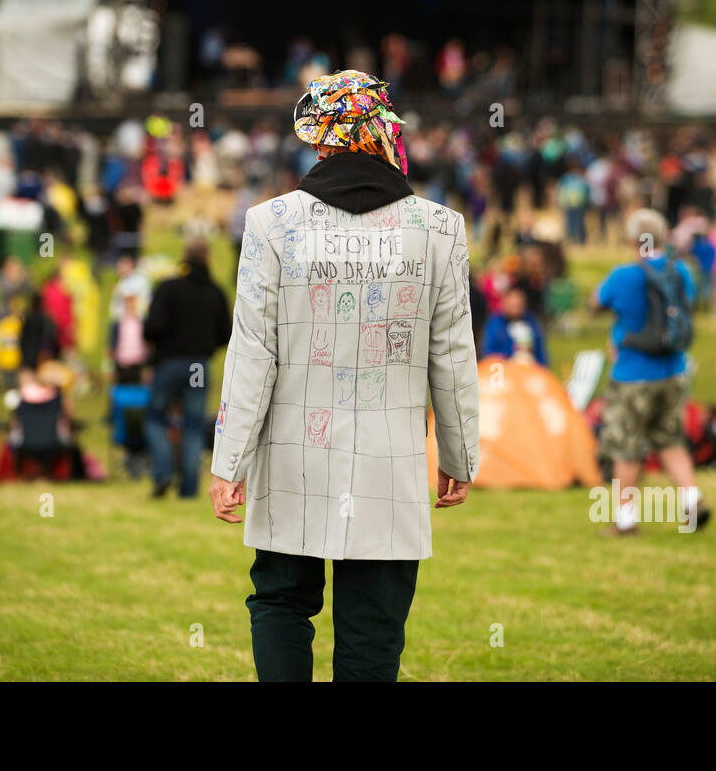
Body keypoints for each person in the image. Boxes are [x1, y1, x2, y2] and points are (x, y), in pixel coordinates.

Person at [209, 69, 480, 682]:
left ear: (318, 136)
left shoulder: (269, 223)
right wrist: (462, 455)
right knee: (373, 628)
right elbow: (453, 356)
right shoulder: (440, 229)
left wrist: (230, 462)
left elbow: (253, 353)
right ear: (384, 130)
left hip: (290, 454)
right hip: (392, 462)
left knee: (281, 602)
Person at [591, 208, 708, 534]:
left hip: (633, 374)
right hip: (673, 370)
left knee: (626, 446)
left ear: (631, 240)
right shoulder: (681, 271)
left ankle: (625, 520)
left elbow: (596, 302)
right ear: (664, 237)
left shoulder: (624, 275)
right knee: (670, 439)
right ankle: (692, 501)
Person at [142, 238, 230, 498]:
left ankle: (163, 472)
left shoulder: (168, 288)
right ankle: (189, 488)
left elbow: (151, 328)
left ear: (184, 257)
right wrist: (207, 347)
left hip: (169, 363)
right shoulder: (215, 291)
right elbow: (226, 332)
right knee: (193, 423)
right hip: (198, 366)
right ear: (207, 258)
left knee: (156, 417)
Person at [480, 288, 547, 365]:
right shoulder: (495, 324)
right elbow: (488, 351)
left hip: (530, 368)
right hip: (504, 368)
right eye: (513, 305)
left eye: (519, 305)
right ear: (504, 304)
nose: (516, 308)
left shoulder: (532, 323)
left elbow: (541, 352)